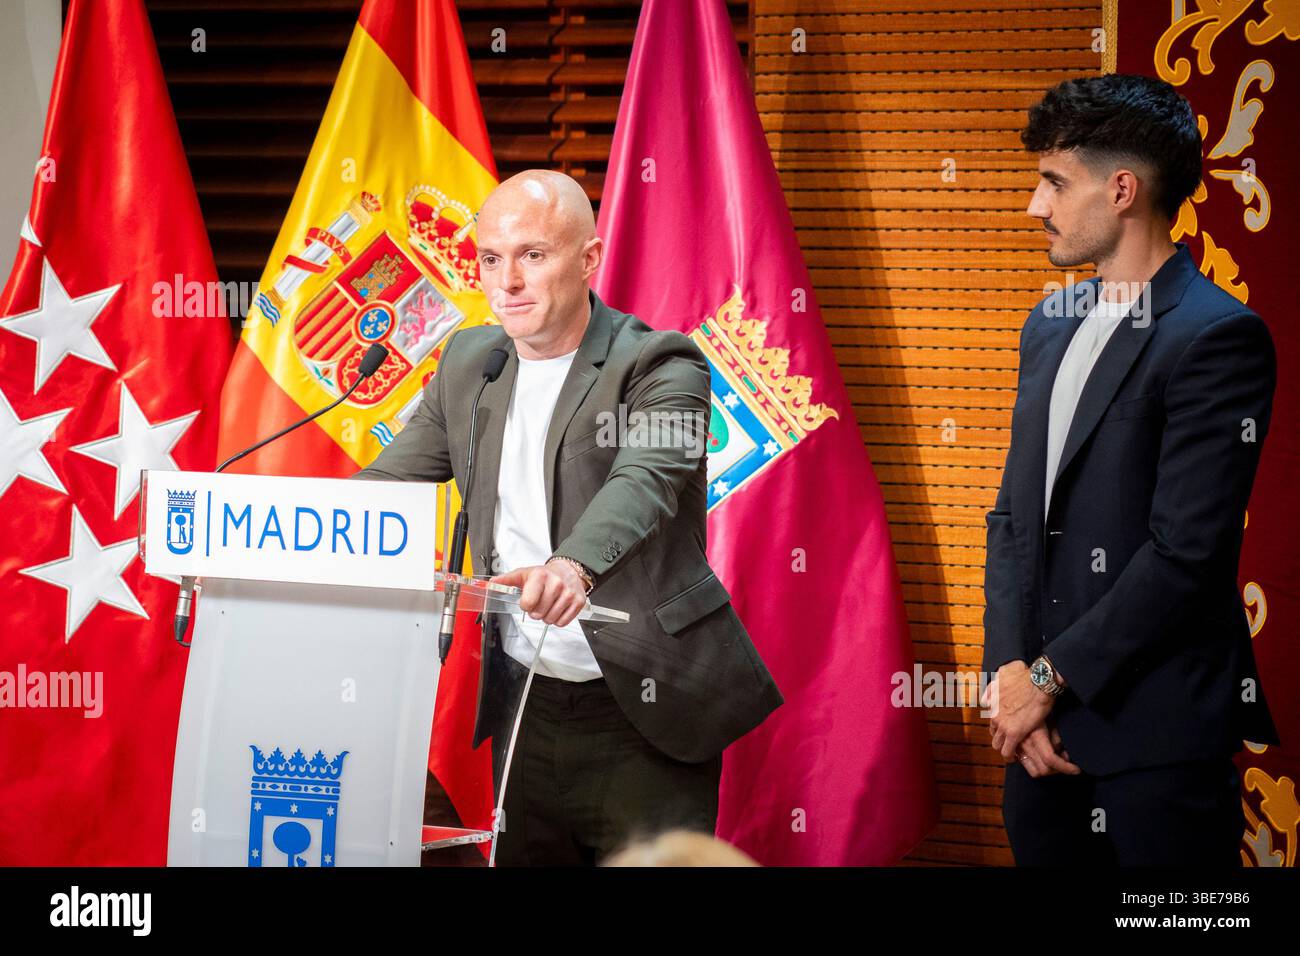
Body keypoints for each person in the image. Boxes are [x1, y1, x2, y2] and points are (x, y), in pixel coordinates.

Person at [354, 169, 783, 865]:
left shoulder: (661, 363)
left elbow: (646, 478)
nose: (506, 282)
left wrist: (571, 566)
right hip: (526, 703)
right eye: (490, 259)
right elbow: (384, 484)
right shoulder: (470, 362)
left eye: (532, 255)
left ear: (588, 259)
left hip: (645, 709)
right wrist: (287, 528)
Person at [980, 75, 1279, 865]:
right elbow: (1012, 517)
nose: (1033, 207)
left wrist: (1046, 679)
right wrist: (1013, 678)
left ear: (1122, 189)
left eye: (1052, 182)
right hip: (1037, 747)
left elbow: (1185, 555)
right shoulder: (1049, 323)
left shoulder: (1218, 336)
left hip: (1155, 745)